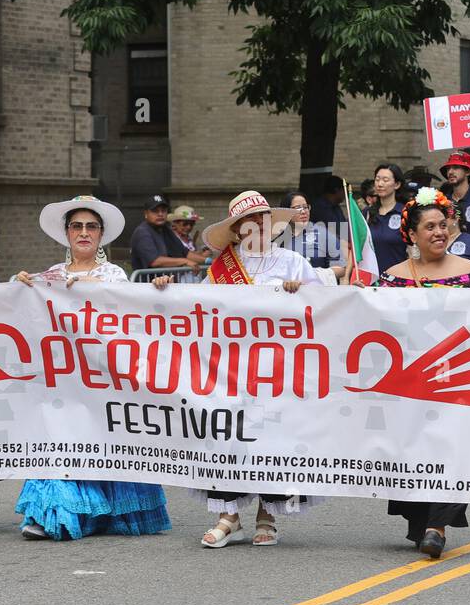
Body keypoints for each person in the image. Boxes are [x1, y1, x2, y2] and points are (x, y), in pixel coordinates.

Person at [12, 196, 173, 539]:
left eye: (91, 227)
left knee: (100, 440)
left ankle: (101, 513)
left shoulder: (114, 274)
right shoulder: (49, 276)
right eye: (77, 226)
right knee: (60, 439)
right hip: (63, 379)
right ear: (67, 233)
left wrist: (158, 290)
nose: (84, 233)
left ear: (100, 235)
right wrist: (18, 286)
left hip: (103, 376)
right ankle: (51, 515)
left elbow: (130, 314)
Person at [377, 187, 470, 557]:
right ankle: (421, 521)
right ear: (411, 235)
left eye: (443, 225)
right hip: (407, 382)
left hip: (455, 382)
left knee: (454, 444)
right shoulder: (392, 277)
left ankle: (439, 525)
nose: (439, 232)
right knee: (413, 446)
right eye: (430, 227)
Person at [195, 190, 322, 547]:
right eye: (249, 223)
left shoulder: (293, 262)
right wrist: (162, 290)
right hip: (232, 367)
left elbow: (325, 310)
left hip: (279, 367)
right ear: (237, 230)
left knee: (274, 437)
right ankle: (229, 514)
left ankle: (268, 512)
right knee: (229, 436)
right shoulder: (222, 268)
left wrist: (301, 293)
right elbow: (196, 310)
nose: (258, 228)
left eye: (263, 221)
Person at [129, 195, 207, 275]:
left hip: (166, 283)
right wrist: (185, 261)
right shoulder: (142, 232)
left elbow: (185, 253)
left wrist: (209, 261)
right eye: (155, 211)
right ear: (146, 213)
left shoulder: (165, 229)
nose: (160, 214)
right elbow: (154, 261)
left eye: (163, 211)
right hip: (147, 285)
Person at [281, 190, 344, 281]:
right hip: (285, 291)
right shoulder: (277, 236)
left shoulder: (323, 233)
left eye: (305, 207)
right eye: (297, 208)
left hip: (317, 290)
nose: (303, 212)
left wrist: (315, 274)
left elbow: (341, 268)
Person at [367, 162, 409, 273]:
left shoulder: (406, 213)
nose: (380, 184)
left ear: (397, 184)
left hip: (397, 281)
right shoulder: (367, 213)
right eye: (377, 179)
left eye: (385, 180)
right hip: (370, 281)